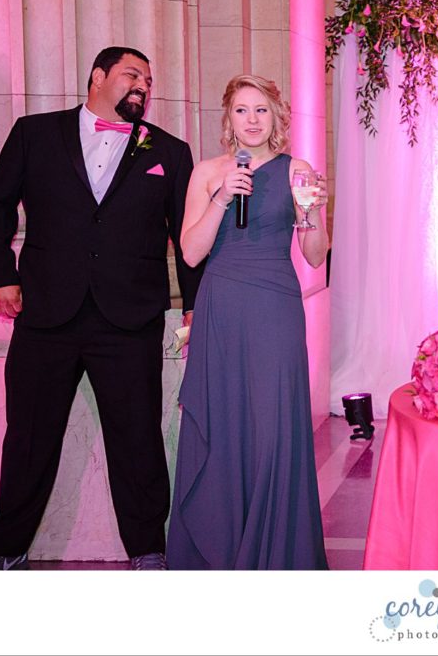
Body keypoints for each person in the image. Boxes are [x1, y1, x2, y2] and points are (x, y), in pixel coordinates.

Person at [0, 46, 202, 570]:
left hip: (129, 319)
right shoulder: (35, 133)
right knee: (29, 436)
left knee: (138, 438)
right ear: (97, 77)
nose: (142, 84)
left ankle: (148, 549)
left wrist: (195, 305)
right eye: (131, 74)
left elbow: (186, 235)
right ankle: (5, 548)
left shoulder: (170, 150)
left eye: (148, 77)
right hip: (45, 314)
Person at [166, 74, 329, 570]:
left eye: (261, 110)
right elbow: (191, 254)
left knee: (272, 425)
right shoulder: (209, 172)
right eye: (242, 110)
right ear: (228, 118)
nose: (252, 120)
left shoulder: (297, 170)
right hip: (221, 305)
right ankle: (216, 545)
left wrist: (314, 214)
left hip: (275, 306)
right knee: (223, 421)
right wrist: (221, 197)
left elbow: (316, 256)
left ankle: (275, 550)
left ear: (276, 117)